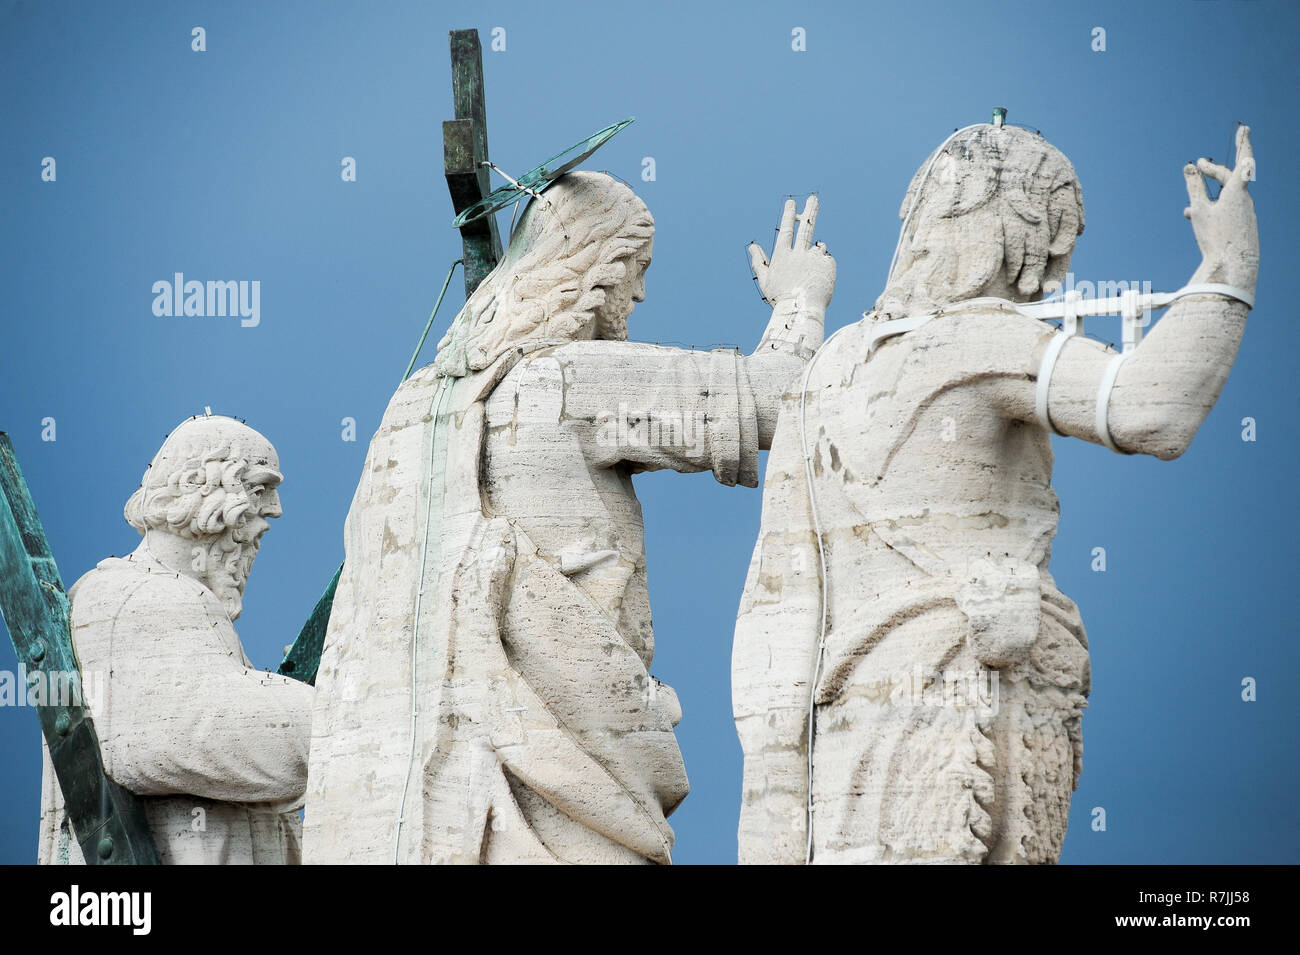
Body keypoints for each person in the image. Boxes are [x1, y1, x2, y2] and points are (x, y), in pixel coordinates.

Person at [732, 124, 1258, 864]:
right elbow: (1153, 410)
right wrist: (1230, 265)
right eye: (1055, 240)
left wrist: (773, 798)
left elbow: (778, 597)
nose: (1057, 271)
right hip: (961, 717)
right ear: (1015, 233)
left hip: (849, 745)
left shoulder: (825, 374)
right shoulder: (982, 340)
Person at [305, 171, 836, 864]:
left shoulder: (407, 415)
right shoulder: (564, 380)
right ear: (593, 270)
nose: (640, 294)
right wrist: (800, 300)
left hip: (428, 802)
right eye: (635, 270)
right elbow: (781, 398)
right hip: (563, 773)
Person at [38, 414, 313, 864]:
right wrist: (349, 713)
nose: (272, 515)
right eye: (260, 490)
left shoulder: (172, 598)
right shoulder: (137, 593)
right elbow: (198, 730)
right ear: (205, 494)